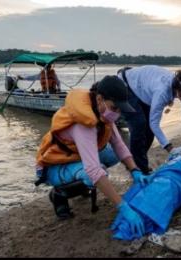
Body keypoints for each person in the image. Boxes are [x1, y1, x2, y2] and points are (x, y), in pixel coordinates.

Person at [35, 75, 150, 220]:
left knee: (114, 155)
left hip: (74, 155)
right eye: (115, 108)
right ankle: (59, 194)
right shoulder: (83, 124)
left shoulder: (102, 112)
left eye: (120, 110)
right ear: (100, 99)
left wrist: (135, 171)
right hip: (54, 166)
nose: (117, 113)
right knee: (95, 173)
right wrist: (122, 205)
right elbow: (94, 170)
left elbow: (119, 145)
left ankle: (81, 183)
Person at [116, 65, 181, 174]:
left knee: (149, 133)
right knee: (139, 125)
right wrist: (171, 149)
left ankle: (134, 163)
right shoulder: (162, 91)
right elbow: (154, 123)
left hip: (143, 90)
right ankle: (140, 169)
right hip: (125, 85)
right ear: (179, 88)